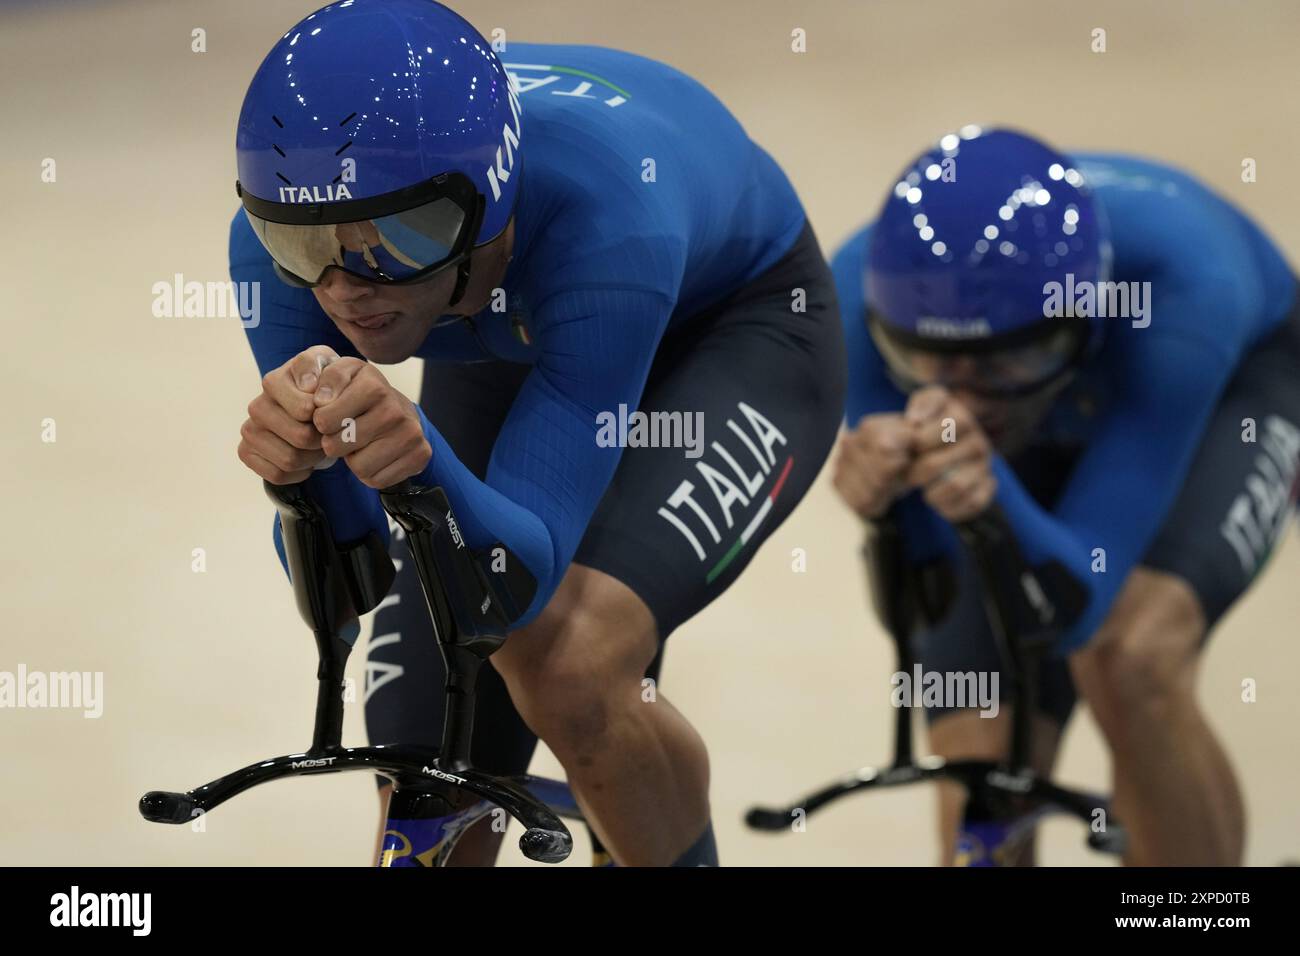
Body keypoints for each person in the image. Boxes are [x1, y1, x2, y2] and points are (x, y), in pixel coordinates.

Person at [230, 0, 845, 866]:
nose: (346, 287)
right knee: (424, 742)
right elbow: (347, 583)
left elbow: (513, 582)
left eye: (396, 239)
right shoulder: (281, 245)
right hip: (505, 317)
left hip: (725, 325)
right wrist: (299, 486)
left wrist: (420, 458)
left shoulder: (609, 227)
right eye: (304, 245)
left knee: (571, 669)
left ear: (492, 200)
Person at [831, 126, 1300, 866]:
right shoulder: (857, 297)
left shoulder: (1183, 288)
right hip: (1062, 396)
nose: (969, 401)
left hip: (1218, 392)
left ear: (1083, 325)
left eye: (1005, 364)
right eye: (928, 363)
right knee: (979, 749)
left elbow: (1080, 609)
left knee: (1132, 659)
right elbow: (927, 597)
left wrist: (993, 495)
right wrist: (886, 512)